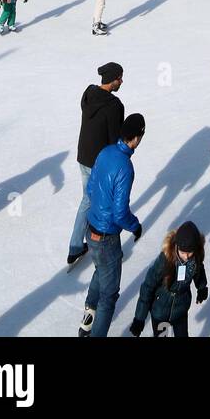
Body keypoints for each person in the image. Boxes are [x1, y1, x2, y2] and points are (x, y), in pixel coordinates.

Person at [79, 113, 145, 338]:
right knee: (109, 295)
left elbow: (90, 190)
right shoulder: (125, 167)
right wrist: (135, 226)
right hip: (107, 237)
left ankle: (88, 316)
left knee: (100, 270)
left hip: (91, 229)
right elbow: (119, 213)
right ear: (136, 138)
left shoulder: (105, 152)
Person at [67, 61, 126, 267]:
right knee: (96, 203)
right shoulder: (114, 106)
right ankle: (90, 246)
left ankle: (77, 245)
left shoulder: (89, 94)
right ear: (113, 79)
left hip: (83, 157)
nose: (122, 81)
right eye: (120, 77)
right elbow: (115, 140)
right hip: (98, 163)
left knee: (88, 200)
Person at [130, 223, 208, 337]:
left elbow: (199, 272)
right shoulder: (164, 260)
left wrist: (201, 287)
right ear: (176, 246)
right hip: (161, 312)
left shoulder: (195, 258)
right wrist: (139, 318)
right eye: (183, 253)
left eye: (190, 253)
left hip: (181, 309)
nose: (186, 256)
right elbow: (147, 287)